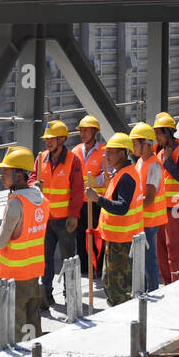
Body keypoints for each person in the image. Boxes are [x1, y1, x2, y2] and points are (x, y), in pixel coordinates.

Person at [0, 147, 48, 349]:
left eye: (6, 171)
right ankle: (36, 355)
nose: (2, 176)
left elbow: (1, 242)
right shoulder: (42, 201)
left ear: (19, 174)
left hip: (15, 274)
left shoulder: (15, 205)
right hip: (34, 271)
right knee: (32, 318)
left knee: (16, 324)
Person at [30, 119, 83, 310]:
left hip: (64, 220)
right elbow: (33, 178)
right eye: (47, 138)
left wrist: (74, 216)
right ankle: (46, 295)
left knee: (68, 260)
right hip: (44, 219)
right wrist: (32, 184)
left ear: (62, 139)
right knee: (45, 259)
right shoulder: (41, 158)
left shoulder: (73, 161)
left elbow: (78, 191)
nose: (48, 142)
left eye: (52, 138)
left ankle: (71, 296)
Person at [85, 133, 141, 307]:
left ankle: (123, 316)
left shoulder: (126, 177)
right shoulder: (121, 174)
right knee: (109, 282)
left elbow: (122, 207)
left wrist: (98, 199)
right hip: (115, 239)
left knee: (118, 287)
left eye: (111, 152)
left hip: (122, 241)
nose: (106, 156)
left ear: (122, 154)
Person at [152, 112, 179, 284]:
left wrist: (168, 161)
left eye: (159, 133)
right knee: (161, 247)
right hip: (162, 206)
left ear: (168, 132)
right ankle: (168, 282)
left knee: (175, 246)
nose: (157, 137)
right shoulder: (160, 154)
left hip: (177, 205)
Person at [70, 115, 105, 278]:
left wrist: (91, 182)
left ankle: (98, 267)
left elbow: (107, 176)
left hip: (96, 200)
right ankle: (85, 267)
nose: (82, 134)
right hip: (80, 201)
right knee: (80, 234)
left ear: (94, 132)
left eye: (86, 130)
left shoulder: (104, 152)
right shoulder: (75, 151)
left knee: (97, 233)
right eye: (81, 130)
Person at [130, 121, 163, 291]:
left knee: (149, 260)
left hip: (150, 222)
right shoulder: (140, 162)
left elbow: (149, 198)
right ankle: (144, 291)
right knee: (141, 260)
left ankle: (153, 290)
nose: (133, 146)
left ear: (146, 143)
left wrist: (130, 205)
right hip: (141, 221)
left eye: (135, 143)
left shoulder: (154, 165)